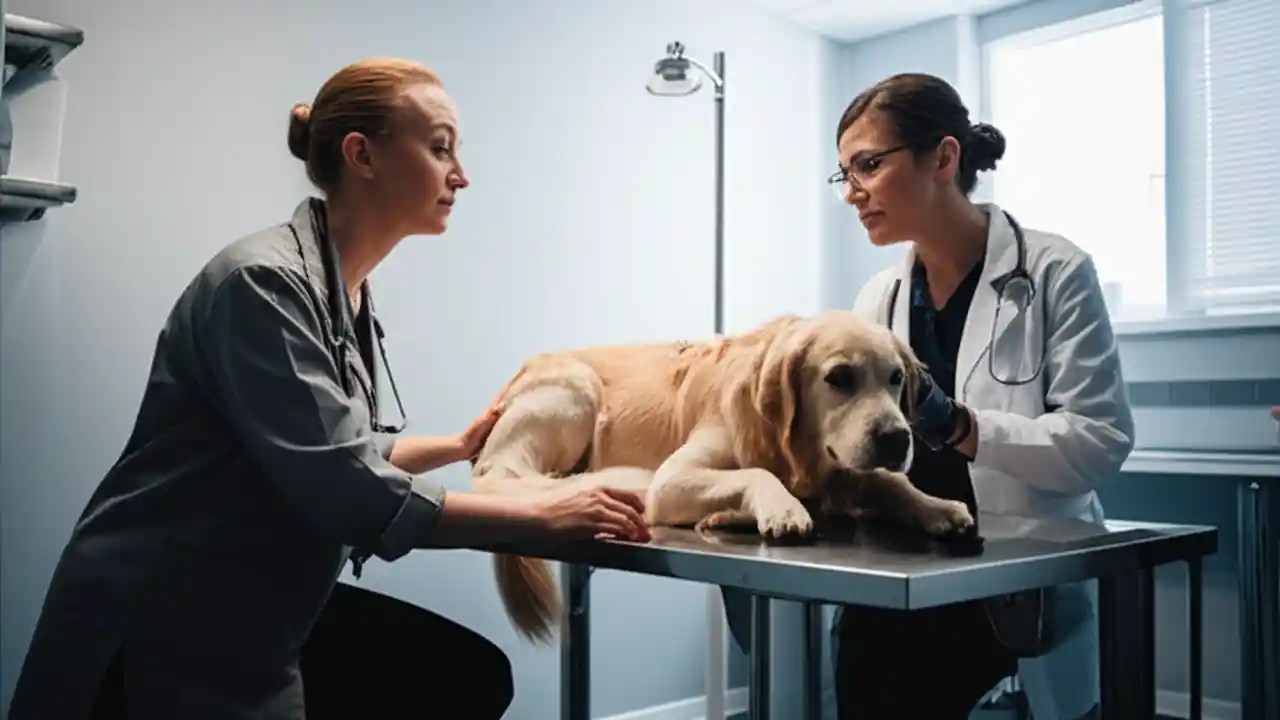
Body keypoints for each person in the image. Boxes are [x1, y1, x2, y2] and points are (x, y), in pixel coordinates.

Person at [7, 57, 651, 720]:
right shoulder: (261, 285)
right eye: (439, 149)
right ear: (361, 155)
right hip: (159, 619)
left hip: (246, 610)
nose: (461, 175)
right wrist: (545, 518)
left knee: (467, 675)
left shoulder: (342, 290)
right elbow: (347, 487)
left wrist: (460, 446)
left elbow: (328, 449)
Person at [827, 73, 1135, 719]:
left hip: (1019, 568)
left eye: (869, 165)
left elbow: (1100, 441)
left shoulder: (1056, 271)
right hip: (907, 568)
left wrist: (962, 425)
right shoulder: (876, 299)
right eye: (844, 174)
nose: (853, 192)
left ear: (943, 158)